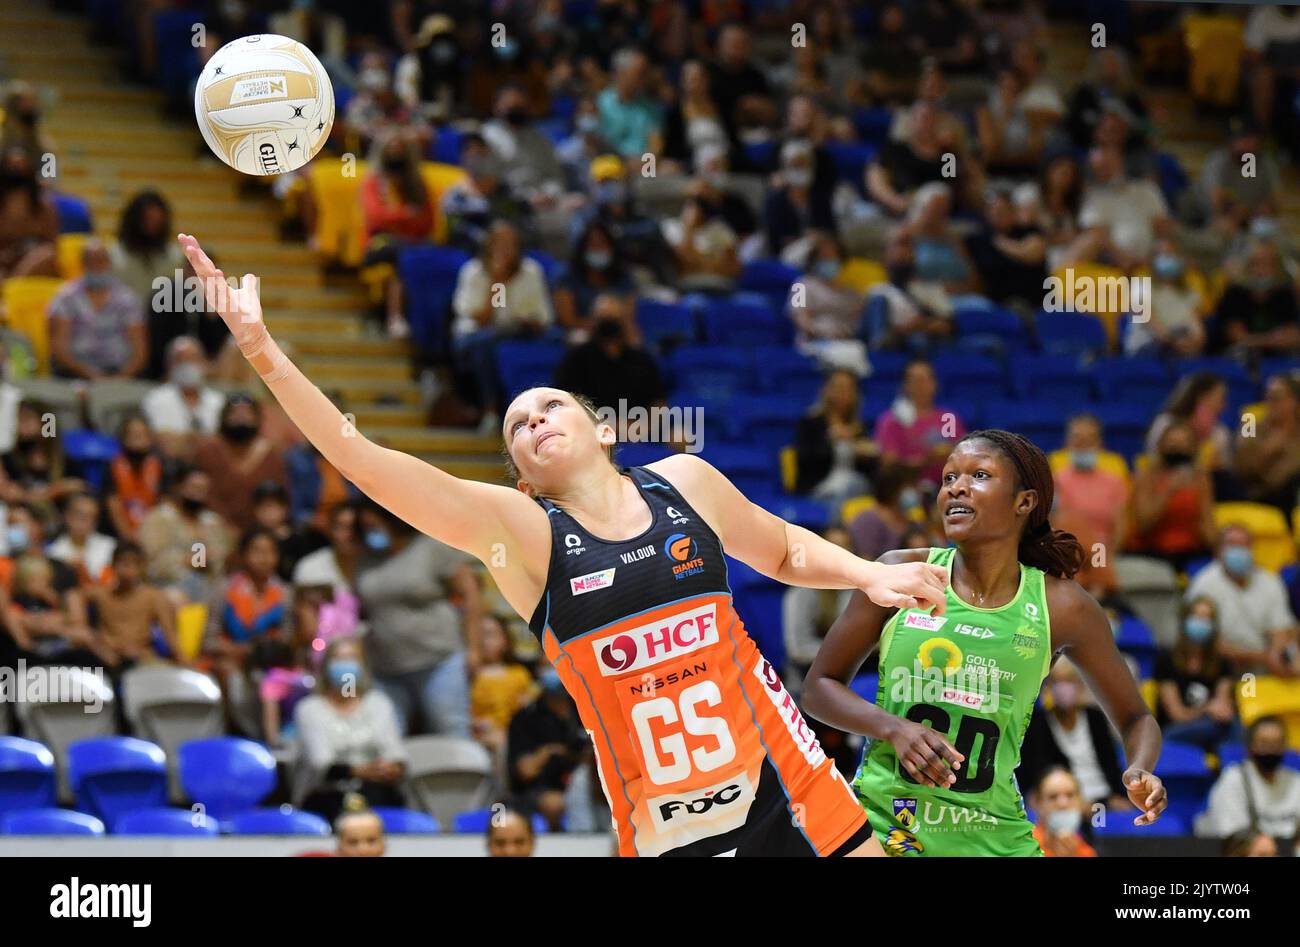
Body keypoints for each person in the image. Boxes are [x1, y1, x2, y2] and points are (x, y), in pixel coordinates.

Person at [177, 231, 951, 857]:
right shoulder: (526, 538)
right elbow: (367, 463)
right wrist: (261, 350)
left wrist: (864, 575)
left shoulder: (683, 479)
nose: (536, 418)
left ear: (603, 428)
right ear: (519, 478)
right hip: (665, 832)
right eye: (518, 424)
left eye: (550, 405)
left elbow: (779, 548)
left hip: (792, 786)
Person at [802, 429, 1166, 856]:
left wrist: (1140, 768)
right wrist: (893, 728)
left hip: (994, 836)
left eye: (978, 475)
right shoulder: (899, 572)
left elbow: (1136, 717)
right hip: (887, 827)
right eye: (948, 477)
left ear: (1024, 502)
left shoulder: (1064, 606)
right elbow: (818, 687)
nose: (956, 486)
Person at [355, 500, 481, 738]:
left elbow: (469, 593)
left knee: (451, 732)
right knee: (385, 740)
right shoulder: (366, 559)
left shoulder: (430, 547)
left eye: (375, 523)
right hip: (385, 668)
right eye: (365, 526)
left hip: (439, 662)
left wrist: (473, 648)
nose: (371, 531)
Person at [450, 221, 555, 431]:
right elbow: (485, 320)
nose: (505, 250)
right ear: (489, 246)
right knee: (483, 345)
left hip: (519, 332)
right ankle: (490, 410)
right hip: (478, 334)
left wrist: (528, 321)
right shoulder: (473, 272)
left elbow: (544, 317)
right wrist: (497, 282)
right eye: (500, 244)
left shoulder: (531, 272)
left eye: (511, 244)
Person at [293, 636, 407, 822]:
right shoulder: (309, 709)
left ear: (363, 666)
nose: (345, 665)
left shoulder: (379, 703)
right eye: (339, 658)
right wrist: (361, 771)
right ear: (326, 666)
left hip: (376, 792)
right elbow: (320, 762)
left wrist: (392, 768)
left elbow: (395, 752)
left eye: (352, 658)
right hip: (326, 796)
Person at [1185, 524, 1300, 677]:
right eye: (1233, 544)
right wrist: (1261, 657)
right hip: (1219, 669)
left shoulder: (1270, 582)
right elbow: (1202, 639)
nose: (1239, 551)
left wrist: (1276, 654)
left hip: (1265, 669)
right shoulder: (1203, 585)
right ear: (1219, 550)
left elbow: (1281, 629)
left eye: (1244, 545)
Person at [1019, 659, 1133, 812]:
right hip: (1064, 799)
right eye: (1057, 682)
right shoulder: (1037, 722)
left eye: (1069, 681)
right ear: (1047, 687)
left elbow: (1111, 763)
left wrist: (1115, 797)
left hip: (1105, 799)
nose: (1064, 687)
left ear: (1080, 685)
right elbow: (1038, 770)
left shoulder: (1095, 718)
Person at [359, 133, 433, 340]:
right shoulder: (373, 183)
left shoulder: (417, 185)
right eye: (391, 150)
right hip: (379, 243)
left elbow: (427, 221)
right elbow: (375, 218)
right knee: (403, 256)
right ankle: (395, 316)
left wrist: (398, 218)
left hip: (414, 242)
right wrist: (406, 214)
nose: (396, 155)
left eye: (400, 150)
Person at [48, 240, 149, 380]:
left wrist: (119, 379)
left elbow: (140, 352)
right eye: (91, 261)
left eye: (101, 261)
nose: (96, 266)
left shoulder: (127, 299)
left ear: (109, 263)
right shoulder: (66, 298)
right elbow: (59, 349)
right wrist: (91, 375)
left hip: (119, 374)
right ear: (82, 264)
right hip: (75, 375)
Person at [553, 296, 664, 418]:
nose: (609, 327)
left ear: (624, 322)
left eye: (614, 320)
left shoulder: (641, 359)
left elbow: (658, 402)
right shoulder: (576, 359)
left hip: (639, 430)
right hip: (595, 430)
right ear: (593, 322)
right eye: (603, 320)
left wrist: (640, 427)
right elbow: (566, 404)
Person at [191, 393, 289, 532]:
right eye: (235, 413)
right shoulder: (207, 450)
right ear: (224, 417)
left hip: (261, 531)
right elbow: (197, 491)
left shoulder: (272, 454)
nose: (241, 418)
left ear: (257, 418)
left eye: (247, 413)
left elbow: (279, 498)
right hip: (213, 528)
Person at [138, 463, 233, 605]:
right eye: (193, 488)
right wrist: (189, 560)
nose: (198, 495)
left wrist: (208, 560)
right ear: (179, 487)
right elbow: (153, 562)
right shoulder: (160, 518)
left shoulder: (212, 522)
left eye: (203, 490)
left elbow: (220, 558)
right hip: (168, 587)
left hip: (208, 587)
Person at [1128, 420, 1217, 571]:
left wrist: (1221, 547)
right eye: (1172, 443)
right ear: (1161, 446)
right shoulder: (1146, 476)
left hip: (1190, 552)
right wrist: (1169, 490)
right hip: (1152, 552)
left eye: (1183, 443)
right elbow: (1144, 524)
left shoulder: (1201, 479)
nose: (1177, 448)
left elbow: (1206, 524)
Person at [1155, 597, 1238, 753]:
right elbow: (1177, 714)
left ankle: (1231, 766)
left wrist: (1217, 710)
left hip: (1212, 728)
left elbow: (1222, 708)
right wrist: (1206, 709)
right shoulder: (1167, 659)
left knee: (1231, 724)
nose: (1202, 623)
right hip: (1174, 731)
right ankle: (1235, 767)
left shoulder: (1223, 661)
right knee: (1227, 728)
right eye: (1198, 617)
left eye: (1207, 618)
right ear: (1185, 620)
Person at [1197, 716, 1300, 841]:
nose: (1271, 750)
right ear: (1250, 746)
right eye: (1264, 743)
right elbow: (1233, 838)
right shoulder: (1234, 779)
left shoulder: (1295, 781)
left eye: (1277, 743)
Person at [85, 541, 180, 669]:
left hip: (142, 658)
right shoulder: (100, 595)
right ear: (112, 565)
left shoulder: (153, 597)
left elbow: (171, 636)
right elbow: (74, 596)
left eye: (134, 564)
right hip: (107, 659)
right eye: (123, 563)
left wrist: (186, 665)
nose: (128, 569)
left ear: (142, 567)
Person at [874, 359, 966, 491]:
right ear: (905, 386)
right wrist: (925, 460)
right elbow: (890, 465)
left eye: (925, 380)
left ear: (934, 384)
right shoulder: (892, 420)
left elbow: (956, 452)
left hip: (947, 486)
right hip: (907, 488)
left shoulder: (947, 418)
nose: (921, 385)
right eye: (915, 381)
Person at [794, 369, 879, 505]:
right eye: (837, 387)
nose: (842, 393)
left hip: (852, 488)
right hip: (818, 488)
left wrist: (863, 455)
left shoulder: (858, 428)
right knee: (856, 485)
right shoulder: (811, 423)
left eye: (847, 388)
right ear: (826, 390)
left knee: (860, 485)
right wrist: (830, 440)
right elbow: (805, 460)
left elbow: (870, 469)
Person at [142, 337, 225, 460]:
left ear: (204, 363)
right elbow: (167, 446)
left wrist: (183, 439)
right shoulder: (155, 399)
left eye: (192, 358)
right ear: (169, 366)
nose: (187, 365)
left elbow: (227, 446)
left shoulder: (219, 401)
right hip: (172, 467)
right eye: (180, 359)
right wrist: (208, 439)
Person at [1232, 374, 1300, 512]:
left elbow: (1280, 477)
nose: (1270, 403)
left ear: (1294, 402)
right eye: (1268, 397)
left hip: (1287, 497)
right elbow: (1240, 467)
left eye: (1277, 398)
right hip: (1251, 495)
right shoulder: (1249, 421)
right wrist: (1267, 451)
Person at [470, 613, 536, 754]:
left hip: (516, 734)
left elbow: (530, 703)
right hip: (481, 736)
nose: (483, 641)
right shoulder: (469, 675)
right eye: (478, 635)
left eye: (489, 635)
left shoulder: (518, 673)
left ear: (505, 641)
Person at [109, 190, 185, 308]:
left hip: (161, 321)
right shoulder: (114, 255)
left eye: (156, 222)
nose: (151, 227)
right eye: (147, 220)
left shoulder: (174, 257)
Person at [0, 144, 57, 280]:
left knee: (47, 255)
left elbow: (51, 247)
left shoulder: (44, 206)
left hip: (31, 266)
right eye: (12, 171)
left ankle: (11, 287)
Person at [104, 413, 164, 541]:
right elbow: (113, 504)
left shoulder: (162, 465)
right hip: (119, 534)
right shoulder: (111, 465)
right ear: (123, 438)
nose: (137, 439)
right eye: (133, 434)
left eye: (142, 434)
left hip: (152, 532)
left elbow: (164, 505)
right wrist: (129, 538)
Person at [846, 465, 923, 561]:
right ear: (892, 489)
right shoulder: (867, 521)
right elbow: (866, 561)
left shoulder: (912, 522)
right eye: (909, 487)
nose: (916, 491)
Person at [46, 491, 115, 587]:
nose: (84, 522)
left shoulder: (110, 547)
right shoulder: (54, 552)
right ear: (67, 516)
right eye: (80, 515)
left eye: (90, 517)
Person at [1030, 766, 1098, 858]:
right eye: (1053, 797)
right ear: (1038, 803)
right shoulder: (1024, 848)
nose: (1063, 804)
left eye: (1070, 795)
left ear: (1081, 802)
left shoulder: (1086, 851)